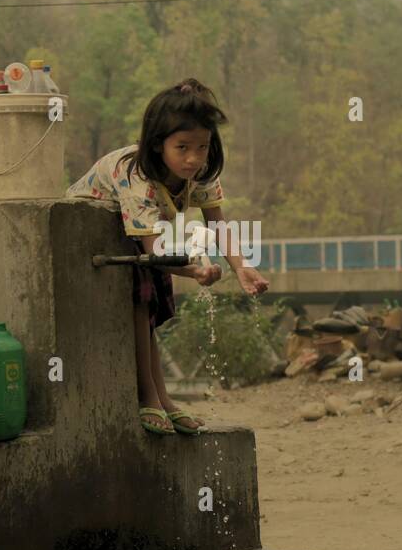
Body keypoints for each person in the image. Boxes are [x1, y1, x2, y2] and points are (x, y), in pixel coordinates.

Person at [66, 78, 269, 435]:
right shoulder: (136, 174)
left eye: (202, 147)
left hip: (144, 232)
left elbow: (217, 222)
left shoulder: (201, 172)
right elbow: (155, 252)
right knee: (141, 303)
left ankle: (163, 399)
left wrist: (242, 267)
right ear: (159, 145)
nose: (193, 158)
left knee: (150, 307)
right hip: (89, 231)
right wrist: (196, 271)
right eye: (183, 147)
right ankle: (149, 398)